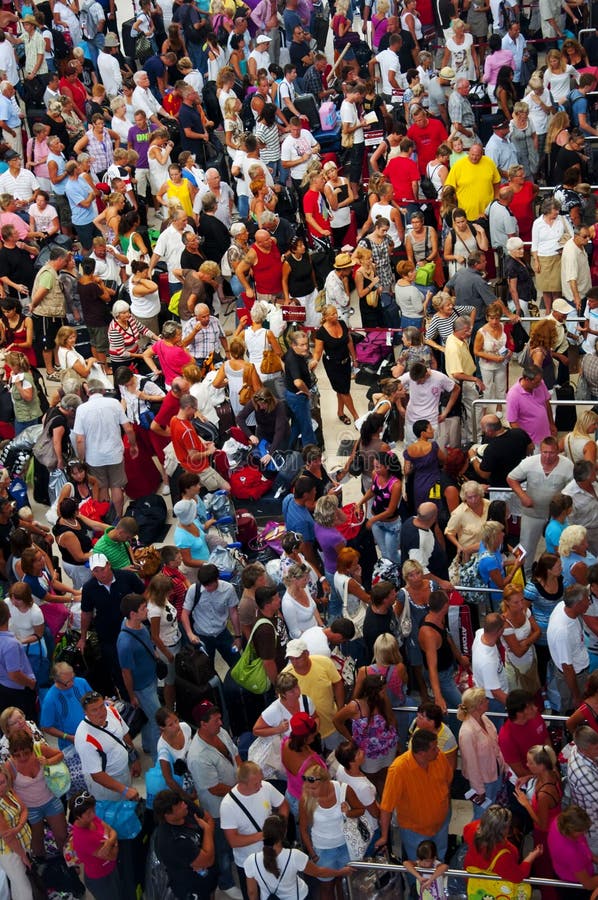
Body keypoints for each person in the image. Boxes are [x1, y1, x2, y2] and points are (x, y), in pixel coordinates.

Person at [187, 700, 242, 900]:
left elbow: (235, 754)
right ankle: (226, 882)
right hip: (218, 809)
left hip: (236, 796)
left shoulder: (220, 732)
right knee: (222, 848)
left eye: (220, 718)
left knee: (234, 838)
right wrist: (242, 790)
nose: (221, 722)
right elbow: (214, 788)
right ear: (203, 724)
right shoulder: (198, 756)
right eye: (216, 720)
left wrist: (242, 773)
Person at [377, 729, 453, 863]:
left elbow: (447, 780)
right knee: (418, 867)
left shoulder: (439, 758)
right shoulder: (398, 770)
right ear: (422, 753)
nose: (438, 751)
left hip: (440, 826)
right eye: (434, 748)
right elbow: (386, 807)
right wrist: (384, 836)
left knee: (439, 860)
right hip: (415, 833)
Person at [220, 761, 289, 897]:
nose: (261, 785)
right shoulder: (228, 805)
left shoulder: (266, 787)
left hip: (273, 855)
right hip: (248, 862)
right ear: (242, 783)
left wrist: (281, 824)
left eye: (261, 780)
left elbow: (283, 805)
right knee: (252, 894)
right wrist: (265, 834)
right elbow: (233, 841)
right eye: (256, 783)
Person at [79, 555, 145, 697]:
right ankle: (128, 699)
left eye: (102, 569)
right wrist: (83, 637)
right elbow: (86, 613)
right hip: (108, 637)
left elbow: (144, 594)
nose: (100, 574)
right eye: (95, 571)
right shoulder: (89, 588)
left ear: (108, 565)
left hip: (133, 632)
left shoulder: (126, 577)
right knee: (118, 669)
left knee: (139, 663)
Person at [244, 814, 351, 900]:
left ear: (264, 833)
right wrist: (340, 872)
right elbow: (319, 872)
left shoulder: (251, 861)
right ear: (284, 833)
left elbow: (252, 892)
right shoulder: (294, 856)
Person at [507, 438, 573, 571]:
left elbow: (573, 488)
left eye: (552, 453)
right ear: (540, 451)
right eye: (545, 452)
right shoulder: (529, 462)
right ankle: (523, 574)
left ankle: (555, 573)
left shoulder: (567, 465)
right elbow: (511, 478)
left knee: (560, 547)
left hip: (556, 517)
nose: (548, 456)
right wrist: (523, 496)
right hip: (532, 514)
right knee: (525, 546)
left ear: (558, 451)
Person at [298, 763, 363, 900]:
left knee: (344, 883)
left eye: (314, 788)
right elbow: (303, 829)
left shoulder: (344, 790)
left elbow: (360, 810)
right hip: (322, 850)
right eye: (308, 788)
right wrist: (313, 854)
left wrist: (348, 812)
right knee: (326, 887)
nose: (310, 792)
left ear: (325, 782)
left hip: (346, 846)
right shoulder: (306, 799)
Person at [117, 593, 161, 761]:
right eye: (143, 608)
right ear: (133, 614)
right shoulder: (125, 642)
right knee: (158, 720)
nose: (147, 610)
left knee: (149, 718)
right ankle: (159, 760)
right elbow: (125, 672)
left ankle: (148, 745)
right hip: (142, 688)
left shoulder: (139, 626)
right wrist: (132, 696)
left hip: (150, 679)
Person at [153, 788, 218, 900]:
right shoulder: (172, 841)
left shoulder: (184, 805)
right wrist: (207, 830)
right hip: (191, 886)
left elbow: (209, 818)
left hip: (207, 876)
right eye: (179, 807)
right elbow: (208, 860)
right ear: (168, 815)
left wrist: (206, 849)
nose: (184, 805)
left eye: (182, 802)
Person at [283, 641, 344, 752]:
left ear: (307, 653)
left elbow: (338, 683)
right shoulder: (286, 676)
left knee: (337, 755)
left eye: (297, 658)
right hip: (306, 735)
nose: (294, 662)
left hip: (331, 723)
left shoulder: (324, 662)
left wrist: (340, 709)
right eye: (291, 659)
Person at [463, 805, 543, 889]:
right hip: (492, 888)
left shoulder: (472, 828)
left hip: (472, 881)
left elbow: (466, 832)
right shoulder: (504, 854)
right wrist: (532, 856)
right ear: (504, 830)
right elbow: (518, 876)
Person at [181, 564, 242, 668]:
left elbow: (233, 613)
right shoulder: (194, 590)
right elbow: (184, 613)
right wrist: (190, 633)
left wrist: (237, 636)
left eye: (210, 585)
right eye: (205, 585)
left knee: (237, 664)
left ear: (217, 579)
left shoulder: (228, 589)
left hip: (222, 634)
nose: (207, 588)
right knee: (206, 669)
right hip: (202, 637)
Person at [458, 687, 506, 817]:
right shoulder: (467, 732)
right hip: (484, 782)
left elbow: (495, 745)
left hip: (495, 775)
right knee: (481, 816)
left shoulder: (484, 719)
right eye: (484, 700)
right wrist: (479, 790)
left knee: (492, 813)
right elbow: (471, 765)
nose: (488, 701)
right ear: (477, 706)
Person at [68, 790, 122, 900]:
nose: (93, 814)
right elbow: (113, 855)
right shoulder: (84, 838)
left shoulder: (89, 820)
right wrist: (114, 841)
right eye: (88, 813)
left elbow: (113, 830)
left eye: (93, 810)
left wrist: (110, 842)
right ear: (78, 817)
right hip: (101, 879)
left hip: (110, 869)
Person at [311, 306, 358, 426]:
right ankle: (356, 417)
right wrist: (313, 363)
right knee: (345, 391)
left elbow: (349, 342)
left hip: (345, 363)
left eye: (336, 313)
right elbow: (317, 352)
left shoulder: (342, 323)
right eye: (332, 314)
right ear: (325, 317)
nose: (336, 316)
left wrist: (354, 358)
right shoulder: (321, 332)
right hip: (333, 366)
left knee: (341, 390)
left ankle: (340, 412)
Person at [547, 584, 590, 713]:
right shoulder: (563, 632)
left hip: (580, 670)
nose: (589, 602)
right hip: (574, 677)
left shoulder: (562, 606)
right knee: (574, 711)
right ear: (577, 604)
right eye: (587, 599)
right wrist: (576, 696)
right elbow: (567, 667)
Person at [548, 805, 598, 894]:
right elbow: (588, 884)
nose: (585, 832)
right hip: (574, 886)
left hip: (567, 870)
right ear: (570, 830)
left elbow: (584, 848)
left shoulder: (560, 820)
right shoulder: (570, 852)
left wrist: (594, 858)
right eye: (582, 831)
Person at [501, 585, 541, 694]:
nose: (521, 605)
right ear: (507, 602)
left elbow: (538, 631)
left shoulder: (525, 610)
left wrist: (526, 642)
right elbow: (518, 652)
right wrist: (532, 638)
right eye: (516, 602)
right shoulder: (505, 623)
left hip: (531, 658)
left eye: (522, 600)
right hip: (516, 667)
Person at [568, 726, 598, 857]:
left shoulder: (579, 746)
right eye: (596, 749)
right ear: (584, 750)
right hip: (593, 826)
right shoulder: (582, 773)